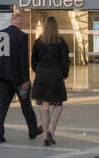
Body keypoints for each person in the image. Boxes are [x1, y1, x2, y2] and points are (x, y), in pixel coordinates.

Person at [0, 10, 41, 144]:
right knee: (26, 105)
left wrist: (1, 67)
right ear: (17, 20)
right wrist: (26, 80)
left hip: (3, 78)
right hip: (19, 80)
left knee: (1, 107)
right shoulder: (21, 36)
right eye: (23, 19)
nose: (24, 22)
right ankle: (32, 131)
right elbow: (23, 61)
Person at [30, 16, 69, 146]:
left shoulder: (38, 42)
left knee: (44, 104)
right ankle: (51, 130)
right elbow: (65, 61)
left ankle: (45, 134)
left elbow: (33, 61)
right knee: (58, 103)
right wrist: (64, 74)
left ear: (45, 27)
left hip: (42, 75)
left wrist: (39, 71)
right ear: (56, 27)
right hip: (55, 75)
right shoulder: (61, 42)